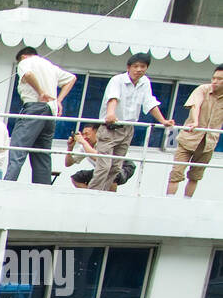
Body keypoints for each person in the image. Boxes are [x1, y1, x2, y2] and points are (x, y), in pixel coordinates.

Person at [90, 54, 174, 192]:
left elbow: (149, 103)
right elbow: (113, 98)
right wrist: (110, 114)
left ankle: (102, 193)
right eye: (136, 66)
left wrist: (163, 121)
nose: (139, 69)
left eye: (143, 67)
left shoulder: (145, 82)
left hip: (128, 129)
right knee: (104, 166)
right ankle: (91, 194)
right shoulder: (117, 80)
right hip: (110, 128)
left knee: (116, 167)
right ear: (128, 67)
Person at [5, 46, 76, 183]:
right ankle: (43, 187)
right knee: (42, 154)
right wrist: (59, 100)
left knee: (17, 148)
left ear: (23, 56)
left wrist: (41, 92)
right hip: (50, 112)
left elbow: (28, 75)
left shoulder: (25, 62)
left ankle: (8, 182)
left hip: (34, 107)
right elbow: (71, 79)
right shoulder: (50, 66)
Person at [167, 65, 223, 197]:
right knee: (176, 173)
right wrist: (195, 121)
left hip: (208, 143)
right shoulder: (203, 89)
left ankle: (187, 202)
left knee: (195, 176)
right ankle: (168, 201)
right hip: (189, 137)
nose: (215, 81)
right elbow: (195, 105)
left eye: (219, 79)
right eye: (213, 78)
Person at [65, 123, 136, 188]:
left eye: (87, 134)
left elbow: (99, 158)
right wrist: (70, 148)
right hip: (102, 169)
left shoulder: (104, 143)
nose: (84, 137)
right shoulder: (85, 146)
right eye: (83, 134)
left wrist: (83, 143)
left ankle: (109, 197)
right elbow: (68, 163)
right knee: (77, 178)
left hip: (123, 166)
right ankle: (92, 194)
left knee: (111, 173)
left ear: (97, 133)